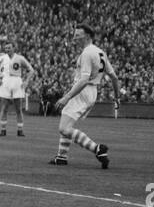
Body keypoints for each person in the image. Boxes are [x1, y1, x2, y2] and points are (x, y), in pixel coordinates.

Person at [49, 23, 118, 168]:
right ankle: (61, 157)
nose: (74, 38)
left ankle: (97, 149)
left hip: (83, 91)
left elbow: (84, 80)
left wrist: (67, 96)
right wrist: (117, 97)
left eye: (77, 35)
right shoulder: (100, 52)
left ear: (87, 36)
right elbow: (114, 77)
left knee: (63, 128)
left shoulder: (87, 53)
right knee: (67, 122)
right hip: (92, 92)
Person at [0, 42, 35, 137]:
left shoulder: (20, 58)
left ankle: (20, 130)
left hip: (17, 81)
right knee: (4, 107)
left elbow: (31, 70)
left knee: (18, 108)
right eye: (6, 48)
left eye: (9, 48)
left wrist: (26, 81)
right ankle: (3, 130)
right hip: (5, 81)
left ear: (14, 48)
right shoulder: (2, 58)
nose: (7, 49)